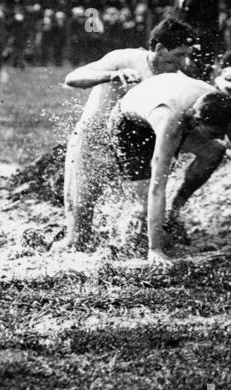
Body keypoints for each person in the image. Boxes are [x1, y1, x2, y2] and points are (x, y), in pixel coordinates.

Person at [59, 20, 197, 251]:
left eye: (188, 55)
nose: (184, 63)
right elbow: (72, 78)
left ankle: (171, 215)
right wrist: (110, 75)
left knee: (143, 223)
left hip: (131, 151)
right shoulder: (124, 59)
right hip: (93, 144)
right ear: (160, 48)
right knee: (77, 240)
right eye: (179, 55)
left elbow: (215, 131)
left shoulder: (182, 82)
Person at [108, 70, 231, 266]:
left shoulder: (223, 111)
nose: (222, 136)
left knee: (214, 151)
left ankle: (175, 211)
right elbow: (157, 188)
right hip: (130, 125)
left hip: (177, 105)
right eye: (216, 132)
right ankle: (135, 242)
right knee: (144, 206)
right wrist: (155, 249)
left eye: (226, 132)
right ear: (198, 122)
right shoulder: (170, 123)